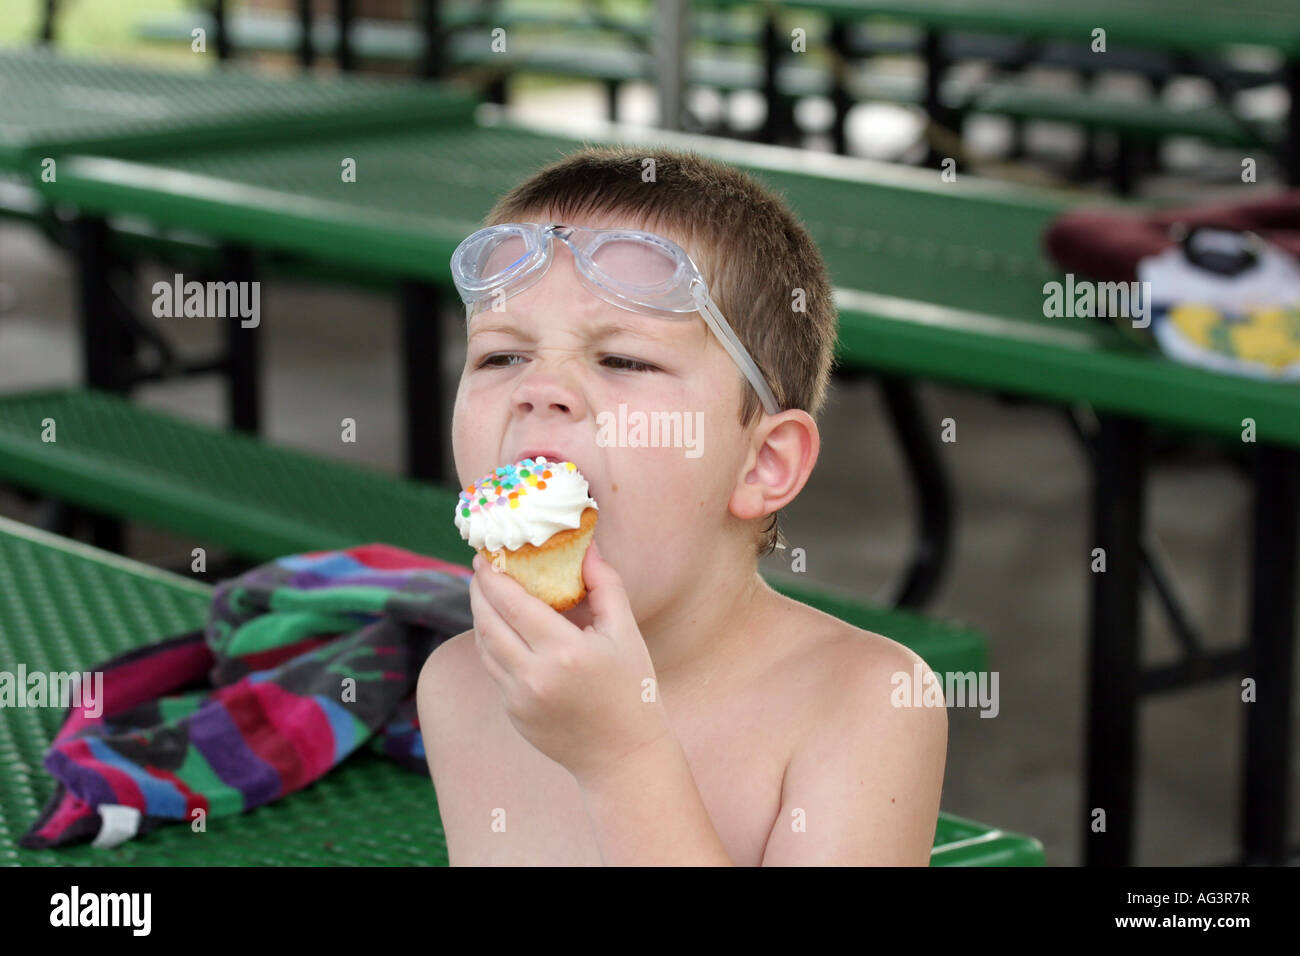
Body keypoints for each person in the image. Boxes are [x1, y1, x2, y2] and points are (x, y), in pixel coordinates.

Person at [417, 145, 947, 865]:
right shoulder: (458, 686)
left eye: (623, 360)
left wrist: (621, 759)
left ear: (763, 463)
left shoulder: (868, 705)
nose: (539, 389)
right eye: (500, 356)